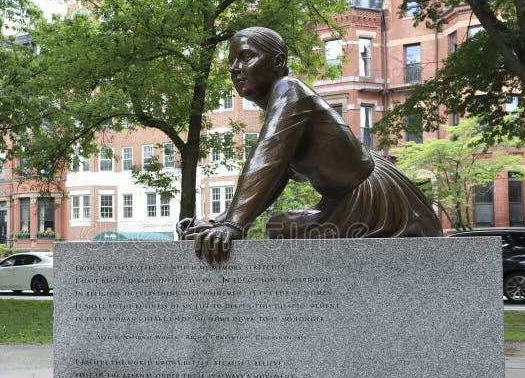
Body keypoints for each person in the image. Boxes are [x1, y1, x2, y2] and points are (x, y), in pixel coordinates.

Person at [179, 27, 441, 263]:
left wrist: (234, 225)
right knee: (281, 227)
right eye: (232, 61)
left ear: (278, 62)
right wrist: (221, 222)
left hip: (374, 203)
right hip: (341, 201)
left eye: (246, 57)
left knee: (281, 228)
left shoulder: (289, 89)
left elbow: (266, 161)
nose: (235, 68)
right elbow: (273, 176)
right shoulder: (281, 104)